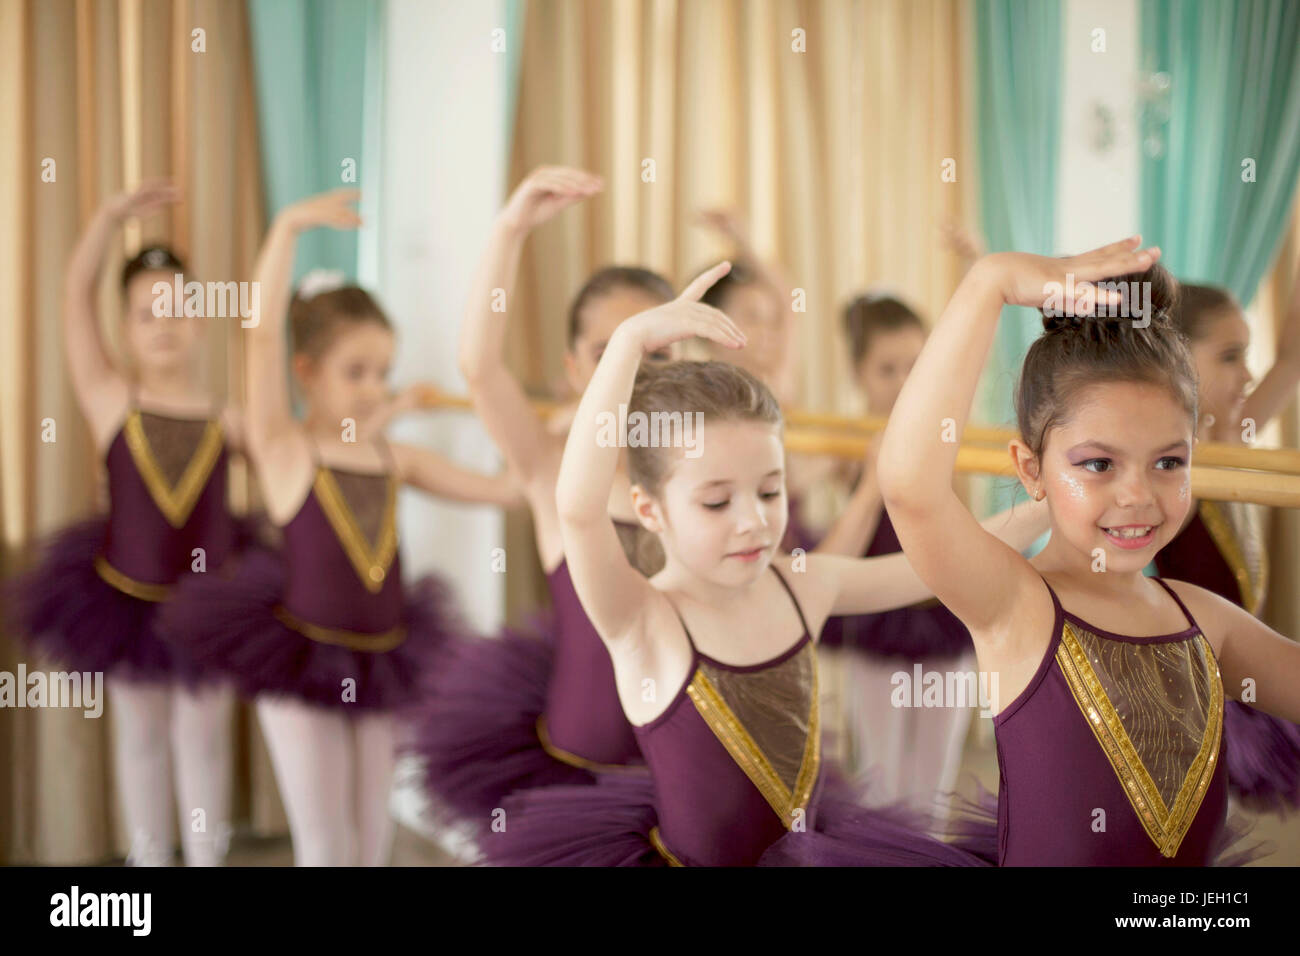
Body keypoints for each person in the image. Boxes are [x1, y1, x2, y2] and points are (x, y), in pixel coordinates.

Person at [482, 262, 1048, 866]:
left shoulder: (804, 586)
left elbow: (946, 555)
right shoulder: (644, 622)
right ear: (650, 509)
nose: (751, 520)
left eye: (770, 491)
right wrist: (627, 346)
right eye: (717, 501)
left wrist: (1050, 501)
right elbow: (578, 508)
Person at [877, 236, 1300, 864]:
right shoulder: (1015, 604)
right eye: (1098, 463)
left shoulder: (1203, 619)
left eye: (1168, 462)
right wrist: (991, 283)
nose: (1139, 496)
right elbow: (912, 488)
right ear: (1031, 469)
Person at [157, 189, 516, 866]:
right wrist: (288, 227)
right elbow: (260, 337)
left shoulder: (394, 456)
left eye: (382, 371)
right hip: (302, 657)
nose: (374, 388)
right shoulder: (286, 451)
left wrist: (572, 441)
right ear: (306, 372)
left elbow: (502, 489)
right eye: (356, 372)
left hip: (383, 653)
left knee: (370, 840)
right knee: (326, 841)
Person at [6, 182, 243, 865]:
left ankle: (207, 859)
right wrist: (108, 219)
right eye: (146, 313)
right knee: (139, 740)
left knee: (203, 740)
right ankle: (146, 869)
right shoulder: (111, 398)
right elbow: (71, 301)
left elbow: (299, 456)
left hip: (207, 605)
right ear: (125, 327)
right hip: (127, 600)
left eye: (176, 309)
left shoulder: (227, 417)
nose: (163, 324)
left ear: (201, 320)